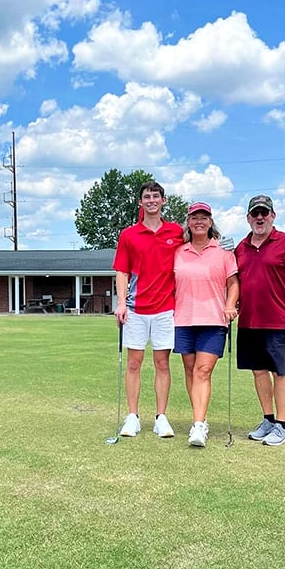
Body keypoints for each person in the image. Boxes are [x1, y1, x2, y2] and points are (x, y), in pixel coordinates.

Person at [113, 180, 184, 438]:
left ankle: (161, 417)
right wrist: (121, 302)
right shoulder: (129, 235)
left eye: (156, 196)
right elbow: (122, 270)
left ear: (163, 200)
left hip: (166, 308)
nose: (151, 200)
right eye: (147, 197)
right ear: (141, 202)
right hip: (136, 309)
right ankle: (132, 417)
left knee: (162, 363)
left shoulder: (176, 232)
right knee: (134, 363)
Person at [235, 195, 285, 446]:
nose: (260, 218)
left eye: (264, 213)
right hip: (249, 321)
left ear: (273, 216)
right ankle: (267, 419)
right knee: (258, 372)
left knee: (280, 372)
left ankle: (282, 425)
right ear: (248, 218)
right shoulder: (241, 248)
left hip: (278, 321)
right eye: (255, 214)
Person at [173, 202, 239, 447]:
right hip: (183, 319)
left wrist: (230, 304)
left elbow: (233, 284)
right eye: (194, 217)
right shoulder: (179, 253)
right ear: (188, 223)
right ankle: (198, 418)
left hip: (213, 320)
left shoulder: (223, 254)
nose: (199, 221)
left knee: (203, 371)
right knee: (190, 371)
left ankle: (199, 425)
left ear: (211, 222)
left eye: (204, 217)